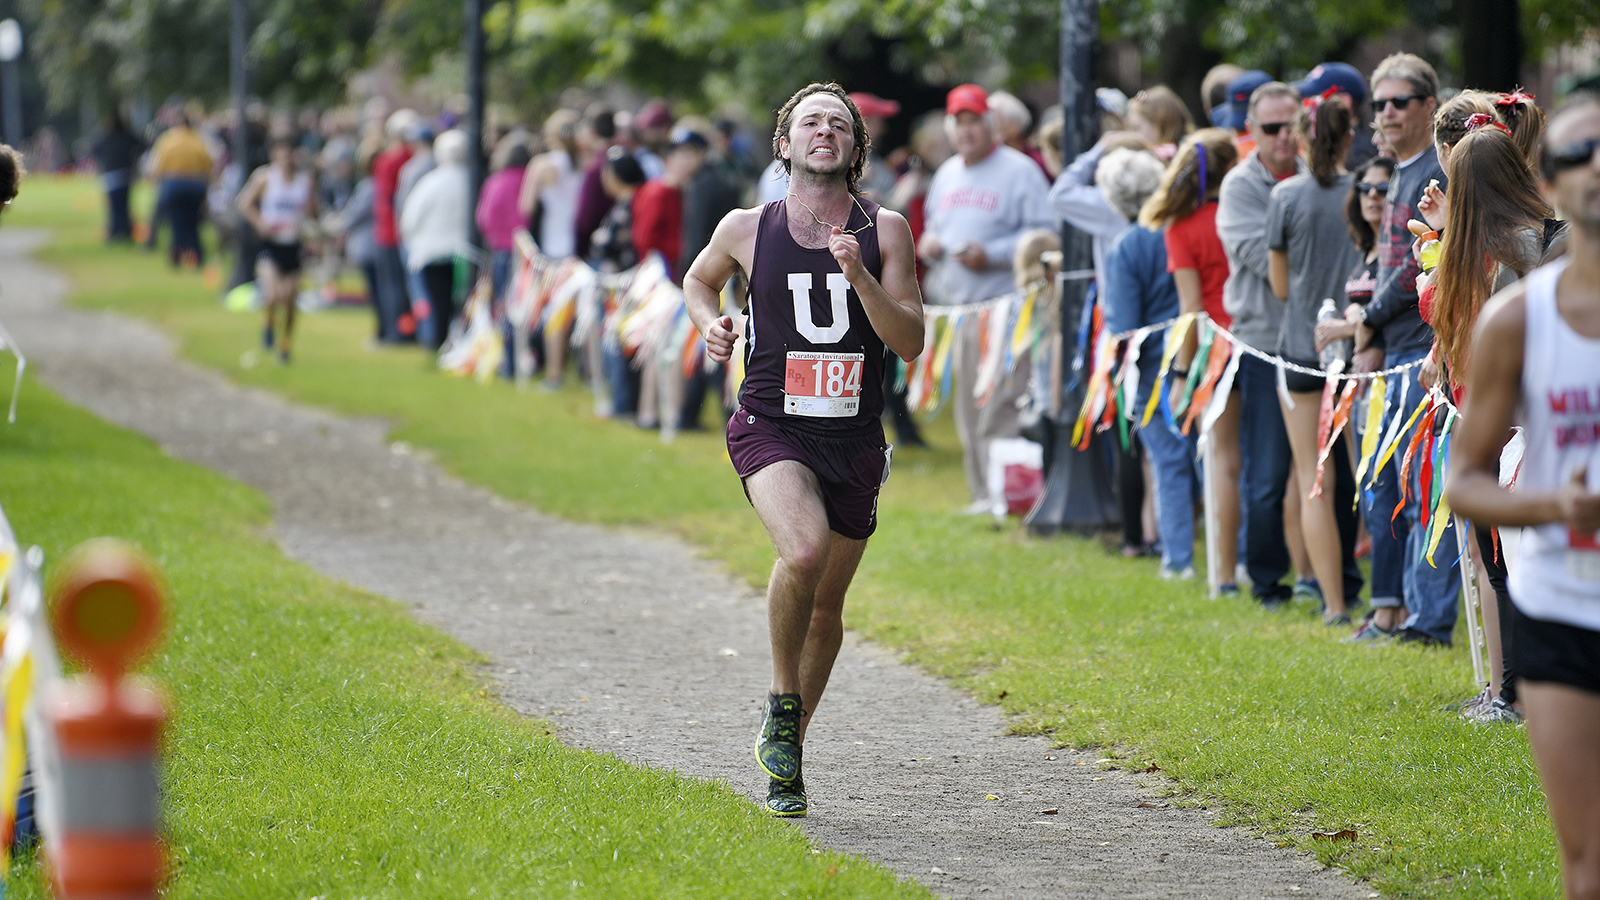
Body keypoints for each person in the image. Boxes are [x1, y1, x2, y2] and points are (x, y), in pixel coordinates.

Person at [682, 83, 923, 818]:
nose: (826, 131)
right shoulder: (748, 226)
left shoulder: (889, 230)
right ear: (784, 144)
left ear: (855, 149)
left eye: (840, 125)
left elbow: (909, 339)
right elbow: (698, 280)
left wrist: (860, 277)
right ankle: (782, 703)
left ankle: (788, 755)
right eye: (811, 123)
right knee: (805, 552)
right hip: (771, 423)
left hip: (853, 435)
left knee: (826, 609)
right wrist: (709, 322)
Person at [1446, 87, 1600, 900]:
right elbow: (1463, 478)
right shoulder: (1517, 319)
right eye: (1578, 153)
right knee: (1589, 859)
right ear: (1554, 179)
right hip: (1561, 602)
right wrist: (1551, 506)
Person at [1333, 53, 1460, 646]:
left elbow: (1417, 268)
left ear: (1428, 107)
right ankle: (1402, 611)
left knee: (1423, 489)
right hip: (1392, 350)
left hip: (1422, 350)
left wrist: (1368, 320)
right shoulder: (1397, 169)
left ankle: (1426, 621)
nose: (1384, 112)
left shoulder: (1434, 171)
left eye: (1398, 102)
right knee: (1391, 486)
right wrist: (1369, 332)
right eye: (1378, 102)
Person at [1422, 121, 1547, 720]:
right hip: (1520, 426)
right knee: (1505, 562)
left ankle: (1519, 693)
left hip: (1534, 429)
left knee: (1518, 563)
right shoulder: (1514, 252)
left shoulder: (1536, 250)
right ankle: (1514, 690)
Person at [918, 83, 1055, 512]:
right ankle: (982, 492)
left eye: (975, 122)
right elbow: (935, 225)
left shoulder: (1020, 172)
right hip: (962, 311)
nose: (967, 132)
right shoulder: (947, 174)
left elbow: (1045, 237)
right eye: (959, 124)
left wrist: (991, 255)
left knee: (1002, 402)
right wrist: (932, 245)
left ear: (991, 125)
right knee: (970, 406)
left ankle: (1009, 494)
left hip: (1007, 308)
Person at [1266, 92, 1364, 624]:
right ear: (1350, 136)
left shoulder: (1284, 197)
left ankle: (1333, 605)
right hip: (1359, 348)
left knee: (1313, 479)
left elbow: (1280, 287)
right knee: (1367, 472)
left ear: (1301, 138)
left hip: (1301, 350)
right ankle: (1386, 593)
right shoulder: (1371, 189)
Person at [1140, 128, 1242, 590]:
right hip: (1261, 341)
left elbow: (1190, 311)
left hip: (1217, 351)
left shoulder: (1182, 228)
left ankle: (1224, 574)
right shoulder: (1243, 214)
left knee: (1221, 459)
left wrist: (1181, 373)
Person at [1101, 147, 1199, 579]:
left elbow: (1122, 325)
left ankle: (1178, 560)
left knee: (1170, 465)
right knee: (1219, 462)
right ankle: (1229, 558)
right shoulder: (1184, 228)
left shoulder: (1127, 246)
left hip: (1155, 373)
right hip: (1203, 358)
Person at [237, 136, 318, 363]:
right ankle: (269, 323)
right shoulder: (265, 178)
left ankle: (285, 345)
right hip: (270, 245)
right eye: (281, 154)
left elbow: (313, 211)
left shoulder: (305, 181)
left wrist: (309, 219)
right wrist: (261, 223)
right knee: (272, 295)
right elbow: (244, 203)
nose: (285, 159)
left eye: (289, 154)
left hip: (293, 245)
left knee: (290, 299)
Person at [399, 130, 474, 351]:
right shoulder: (471, 181)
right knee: (456, 302)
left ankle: (439, 342)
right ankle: (448, 342)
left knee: (439, 301)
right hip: (462, 252)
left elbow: (409, 219)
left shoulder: (431, 182)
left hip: (434, 252)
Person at [372, 109, 419, 342]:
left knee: (392, 287)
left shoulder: (388, 160)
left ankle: (397, 332)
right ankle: (407, 329)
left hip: (390, 231)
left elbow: (386, 197)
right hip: (408, 230)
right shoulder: (414, 159)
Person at [147, 114, 214, 269]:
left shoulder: (167, 139)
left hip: (173, 185)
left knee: (177, 223)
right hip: (196, 185)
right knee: (192, 223)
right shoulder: (198, 140)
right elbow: (208, 165)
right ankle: (197, 256)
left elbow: (157, 167)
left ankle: (176, 256)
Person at [518, 109, 586, 260]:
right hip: (579, 245)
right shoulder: (584, 164)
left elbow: (526, 206)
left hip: (549, 244)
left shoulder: (541, 165)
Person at [476, 136, 532, 302]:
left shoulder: (495, 181)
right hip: (529, 251)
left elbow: (483, 219)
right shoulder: (530, 178)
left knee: (503, 301)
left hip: (501, 248)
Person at [91, 113, 144, 243]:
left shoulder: (105, 138)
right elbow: (142, 145)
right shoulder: (127, 137)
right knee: (124, 205)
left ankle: (115, 233)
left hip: (110, 176)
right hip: (125, 175)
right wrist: (133, 158)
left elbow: (94, 149)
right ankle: (125, 231)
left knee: (114, 206)